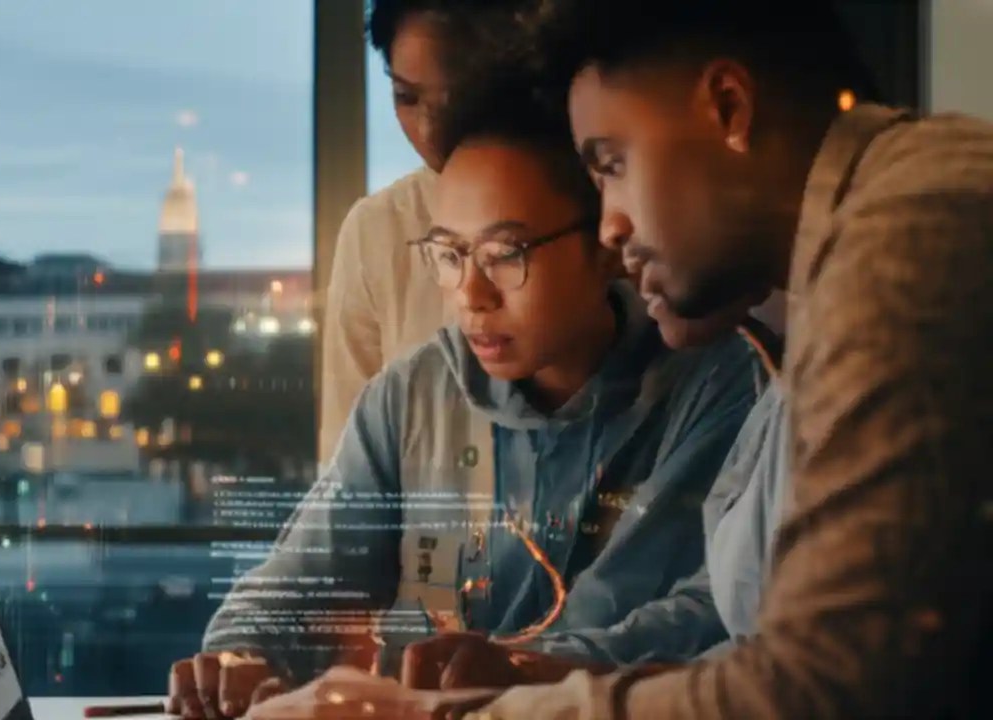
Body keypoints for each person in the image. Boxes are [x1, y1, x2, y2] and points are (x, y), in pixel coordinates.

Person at [167, 76, 769, 719]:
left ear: (606, 243)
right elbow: (305, 576)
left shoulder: (714, 383)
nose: (471, 295)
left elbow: (711, 611)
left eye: (506, 254)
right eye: (450, 254)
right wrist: (241, 653)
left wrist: (522, 670)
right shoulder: (414, 394)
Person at [453, 0, 993, 717]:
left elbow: (825, 686)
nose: (610, 228)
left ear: (729, 107)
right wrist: (544, 682)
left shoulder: (909, 234)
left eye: (613, 165)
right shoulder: (844, 259)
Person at [321, 0, 527, 462]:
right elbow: (343, 462)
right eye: (407, 97)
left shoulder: (591, 208)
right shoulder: (379, 231)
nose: (431, 129)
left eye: (459, 95)